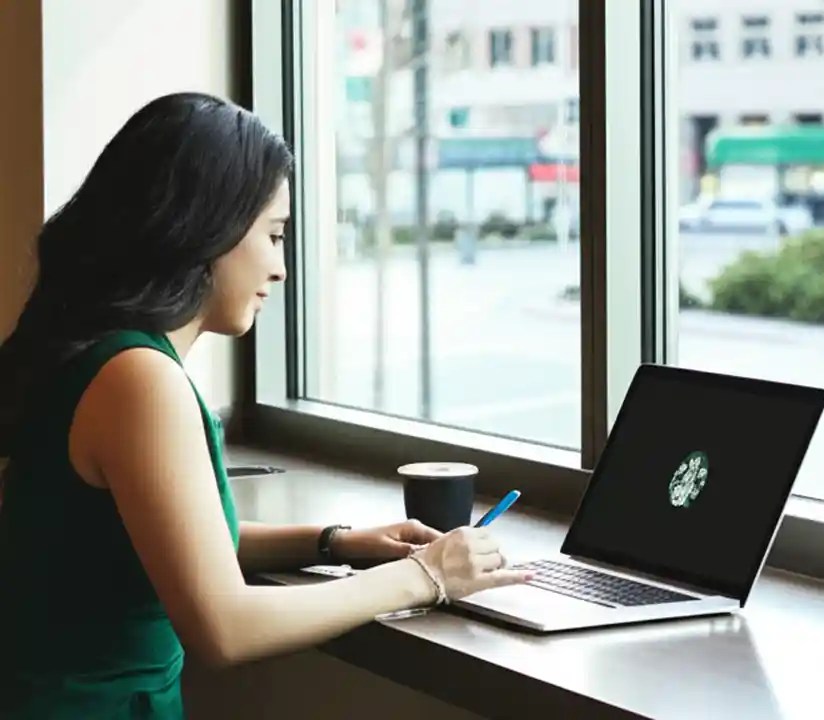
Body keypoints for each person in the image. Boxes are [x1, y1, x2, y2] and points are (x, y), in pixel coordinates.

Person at [0, 92, 532, 719]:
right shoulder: (138, 380)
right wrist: (425, 577)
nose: (280, 268)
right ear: (202, 227)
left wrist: (337, 542)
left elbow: (167, 538)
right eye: (274, 235)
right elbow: (224, 627)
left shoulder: (92, 356)